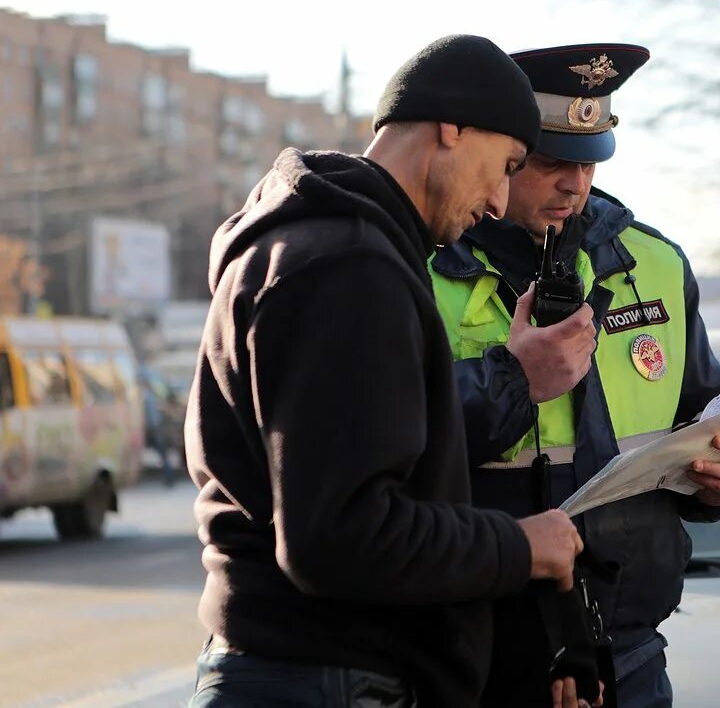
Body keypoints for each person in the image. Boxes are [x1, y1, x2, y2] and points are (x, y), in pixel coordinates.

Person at [184, 35, 583, 708]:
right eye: (507, 164)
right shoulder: (350, 267)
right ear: (452, 125)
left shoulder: (312, 245)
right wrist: (519, 546)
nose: (496, 201)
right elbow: (341, 536)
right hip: (327, 680)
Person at [429, 43, 720, 708]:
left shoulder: (655, 263)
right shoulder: (420, 268)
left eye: (590, 159)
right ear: (504, 155)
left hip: (625, 652)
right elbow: (389, 442)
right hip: (472, 659)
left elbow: (709, 402)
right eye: (551, 162)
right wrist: (514, 380)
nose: (575, 184)